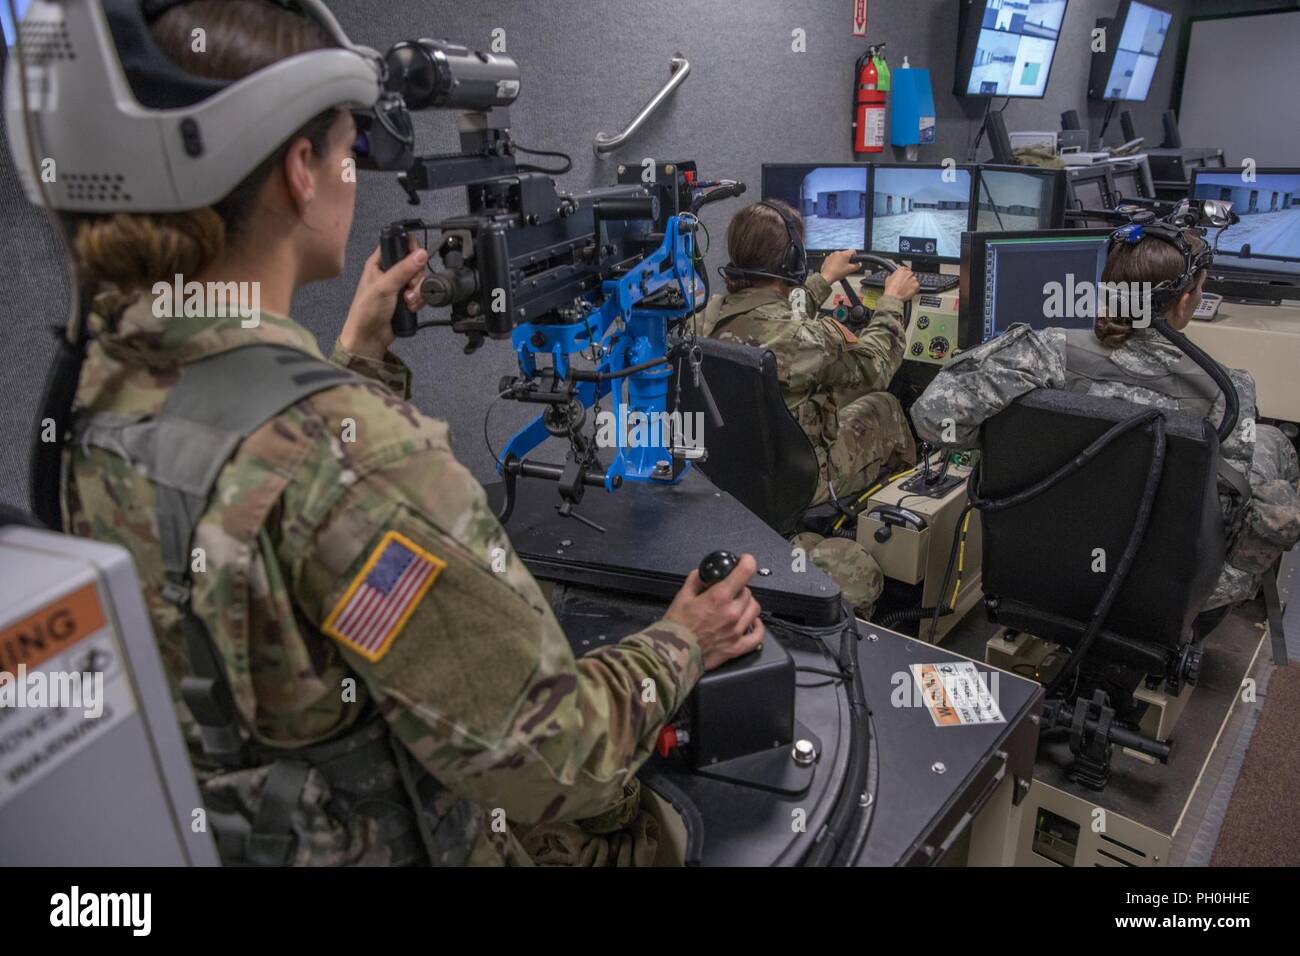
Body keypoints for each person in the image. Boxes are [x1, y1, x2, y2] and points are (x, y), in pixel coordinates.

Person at [48, 0, 764, 866]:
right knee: (655, 827)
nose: (355, 174)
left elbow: (263, 522)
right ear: (299, 172)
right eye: (349, 151)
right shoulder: (360, 458)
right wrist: (683, 642)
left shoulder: (97, 387)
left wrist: (354, 363)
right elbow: (550, 755)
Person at [911, 226, 1300, 616]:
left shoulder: (1043, 353)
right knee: (1274, 446)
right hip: (1170, 588)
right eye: (1199, 290)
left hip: (1045, 559)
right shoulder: (1229, 392)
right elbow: (1225, 518)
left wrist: (1005, 443)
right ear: (1183, 304)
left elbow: (932, 418)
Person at [698, 199, 919, 617]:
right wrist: (891, 301)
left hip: (732, 473)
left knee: (845, 394)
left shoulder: (706, 318)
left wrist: (822, 283)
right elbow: (876, 366)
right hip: (800, 481)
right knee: (885, 405)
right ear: (793, 259)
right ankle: (897, 516)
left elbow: (773, 320)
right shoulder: (807, 340)